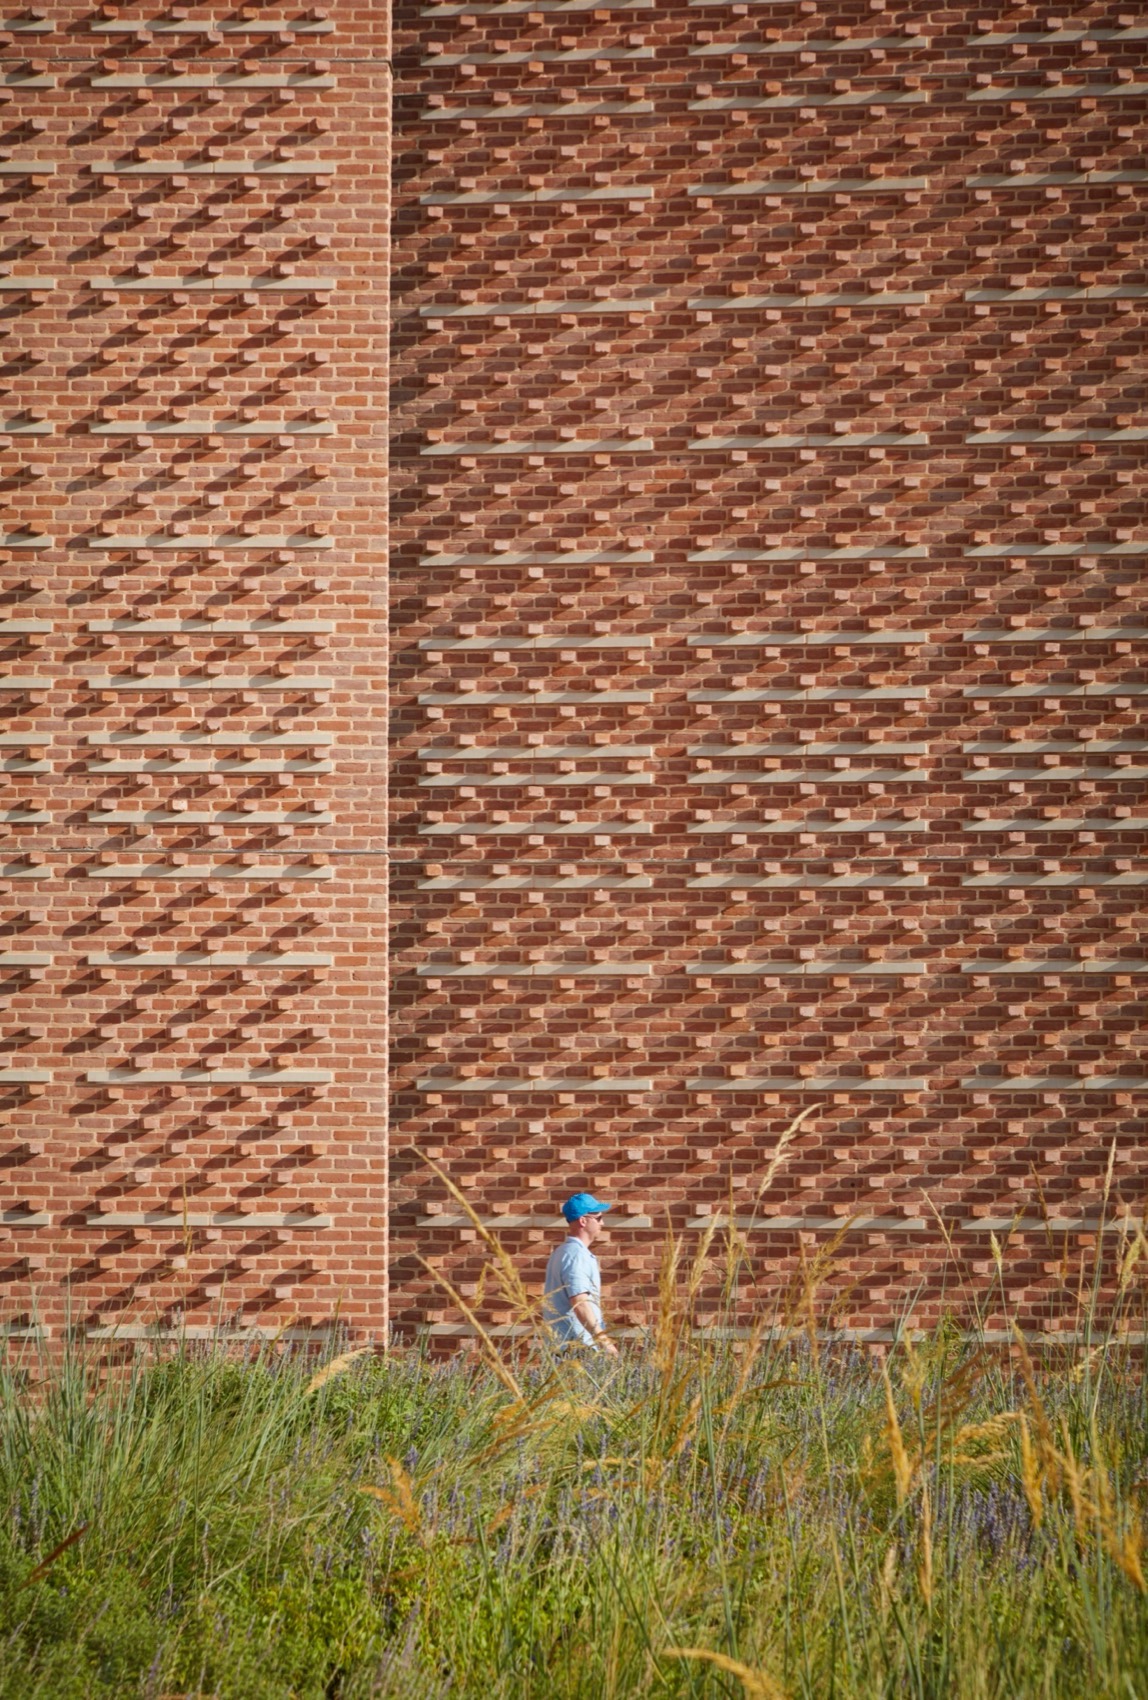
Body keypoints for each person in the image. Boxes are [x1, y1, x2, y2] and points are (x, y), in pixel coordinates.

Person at [542, 1192, 619, 1355]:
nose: (602, 1223)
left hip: (565, 1345)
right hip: (577, 1348)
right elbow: (580, 1302)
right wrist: (604, 1342)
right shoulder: (576, 1256)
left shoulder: (563, 1252)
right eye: (598, 1218)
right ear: (583, 1221)